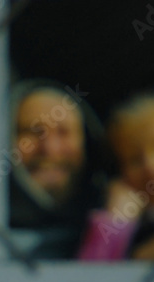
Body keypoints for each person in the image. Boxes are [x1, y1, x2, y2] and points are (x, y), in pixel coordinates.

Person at [78, 92, 154, 261]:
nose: (151, 166)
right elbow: (88, 275)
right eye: (135, 159)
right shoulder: (135, 226)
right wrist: (115, 222)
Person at [8, 81, 105, 259]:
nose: (50, 149)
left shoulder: (124, 228)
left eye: (63, 132)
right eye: (32, 132)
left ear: (87, 143)